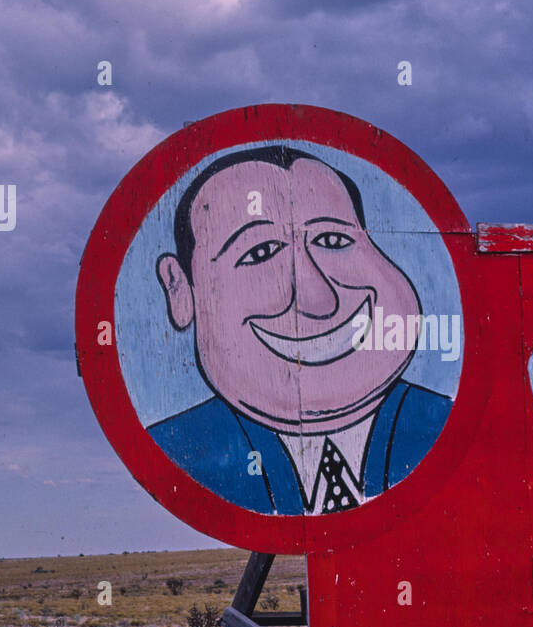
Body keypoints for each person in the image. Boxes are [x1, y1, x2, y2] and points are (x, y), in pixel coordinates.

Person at [149, 145, 452, 515]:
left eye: (333, 240)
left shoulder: (441, 427)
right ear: (180, 290)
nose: (318, 298)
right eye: (261, 252)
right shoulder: (182, 448)